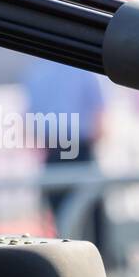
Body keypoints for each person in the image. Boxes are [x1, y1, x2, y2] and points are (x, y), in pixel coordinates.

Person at [23, 57, 110, 250]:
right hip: (80, 151)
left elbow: (30, 118)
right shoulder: (85, 69)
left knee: (62, 224)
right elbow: (100, 115)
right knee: (91, 222)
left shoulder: (36, 70)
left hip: (54, 153)